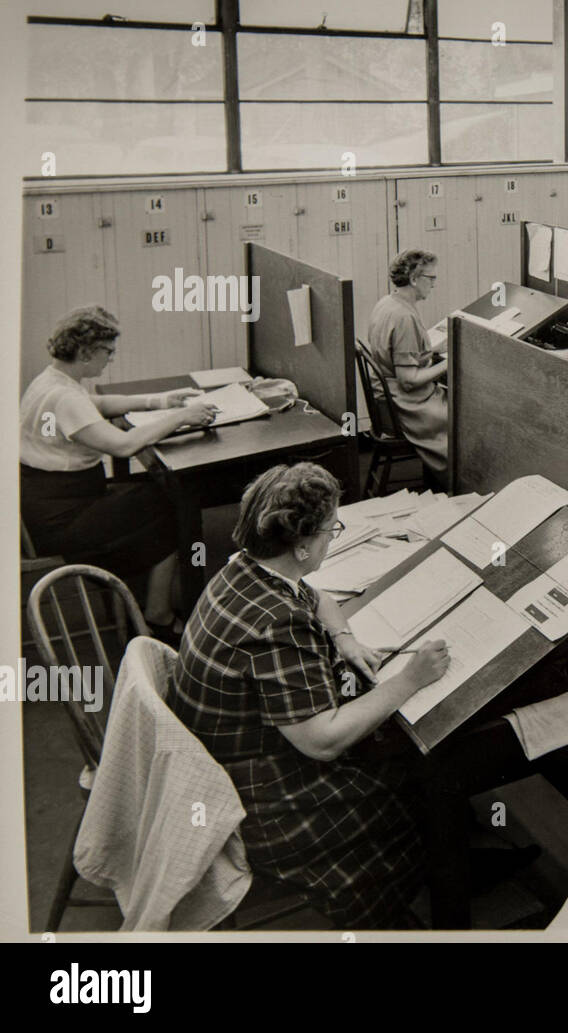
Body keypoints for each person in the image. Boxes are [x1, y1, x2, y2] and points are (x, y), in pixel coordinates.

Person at [168, 462, 453, 929]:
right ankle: (392, 903)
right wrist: (411, 679)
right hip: (259, 800)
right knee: (418, 781)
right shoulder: (275, 621)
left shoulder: (244, 569)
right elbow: (322, 741)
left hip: (218, 762)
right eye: (330, 530)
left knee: (403, 764)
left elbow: (316, 597)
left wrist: (343, 638)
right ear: (301, 546)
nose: (331, 538)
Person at [19, 305, 217, 635]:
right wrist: (182, 417)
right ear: (85, 352)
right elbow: (123, 446)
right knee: (169, 505)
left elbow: (99, 405)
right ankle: (158, 614)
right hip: (61, 519)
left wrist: (163, 401)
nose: (111, 358)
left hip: (49, 504)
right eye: (107, 352)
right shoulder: (63, 397)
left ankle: (147, 598)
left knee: (154, 499)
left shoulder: (51, 380)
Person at [365, 250, 448, 486]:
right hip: (405, 403)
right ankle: (456, 484)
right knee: (466, 418)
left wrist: (430, 350)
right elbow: (409, 379)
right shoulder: (404, 317)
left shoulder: (388, 303)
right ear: (414, 279)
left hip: (387, 398)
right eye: (431, 279)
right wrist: (447, 363)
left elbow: (398, 354)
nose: (434, 284)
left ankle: (439, 480)